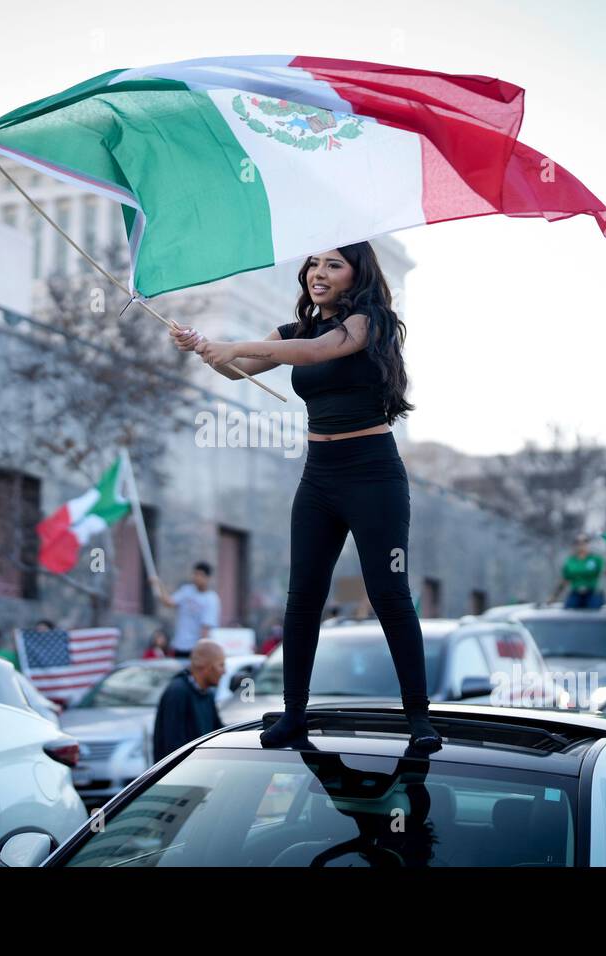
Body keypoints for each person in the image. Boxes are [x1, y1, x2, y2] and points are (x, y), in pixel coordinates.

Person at [169, 242, 442, 751]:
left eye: (333, 264)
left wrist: (238, 345)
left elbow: (318, 353)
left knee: (388, 594)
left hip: (374, 473)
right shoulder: (296, 330)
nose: (319, 272)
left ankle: (419, 718)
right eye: (314, 263)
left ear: (355, 276)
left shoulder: (371, 321)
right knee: (303, 598)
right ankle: (295, 713)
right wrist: (205, 346)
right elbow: (236, 370)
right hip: (319, 476)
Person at [152, 639, 226, 761]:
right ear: (206, 667)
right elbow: (173, 749)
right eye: (221, 665)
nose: (224, 671)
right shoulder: (177, 692)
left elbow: (219, 732)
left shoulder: (206, 693)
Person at [149, 562, 221, 660]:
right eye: (195, 574)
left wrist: (201, 651)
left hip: (195, 649)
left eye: (200, 575)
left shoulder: (211, 599)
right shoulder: (187, 591)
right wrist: (158, 584)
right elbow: (168, 602)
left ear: (207, 578)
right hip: (179, 646)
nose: (196, 577)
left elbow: (205, 628)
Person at [550, 534, 606, 609]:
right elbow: (565, 580)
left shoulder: (595, 559)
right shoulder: (571, 561)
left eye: (584, 542)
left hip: (592, 592)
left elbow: (605, 572)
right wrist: (554, 596)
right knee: (569, 609)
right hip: (576, 592)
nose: (581, 545)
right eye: (578, 543)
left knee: (594, 610)